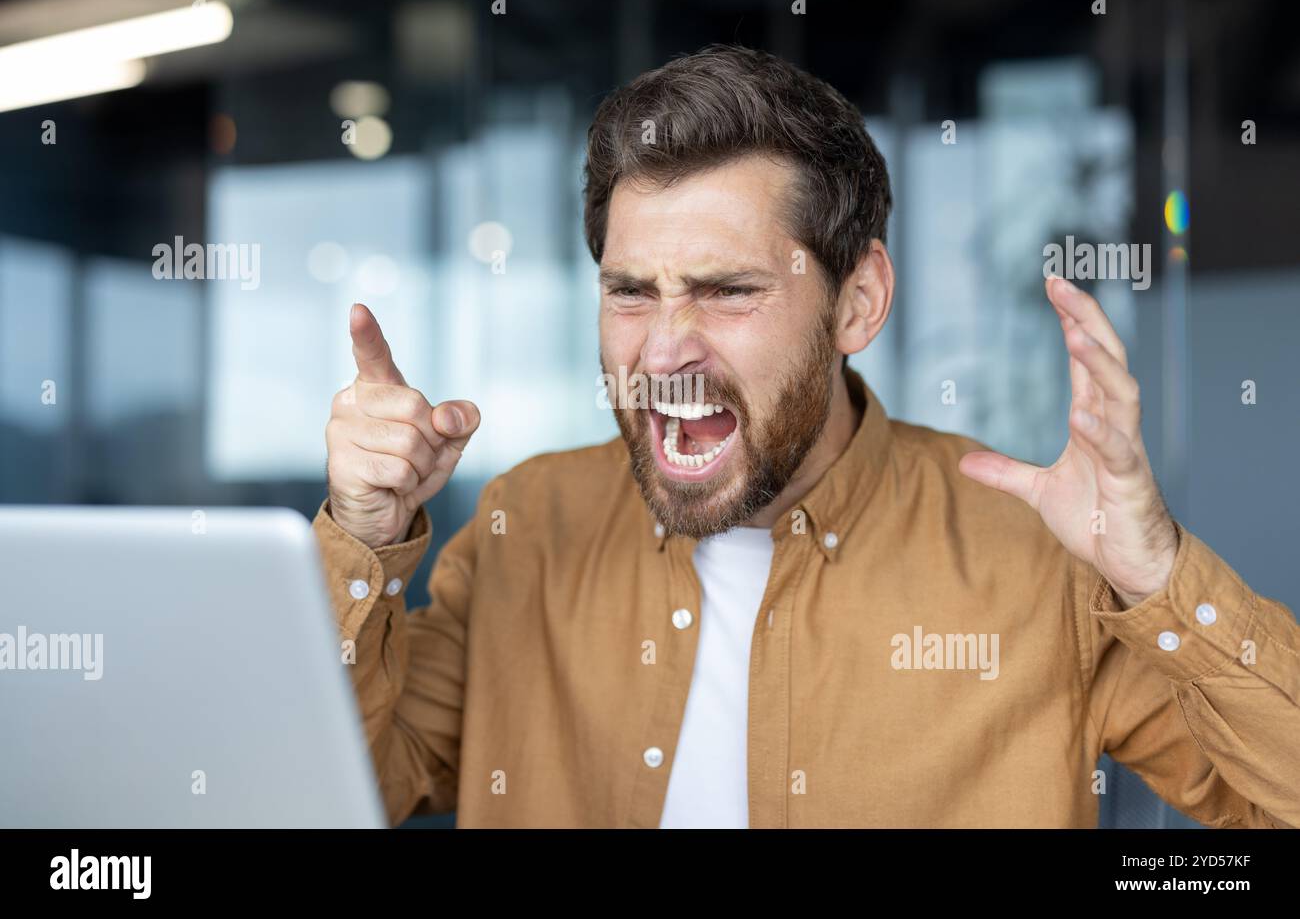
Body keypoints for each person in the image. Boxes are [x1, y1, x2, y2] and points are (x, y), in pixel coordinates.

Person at [313, 44, 1299, 828]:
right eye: (630, 292)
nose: (662, 352)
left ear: (857, 302)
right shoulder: (528, 520)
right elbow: (338, 793)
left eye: (726, 290)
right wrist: (359, 542)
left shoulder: (1033, 557)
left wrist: (1158, 576)